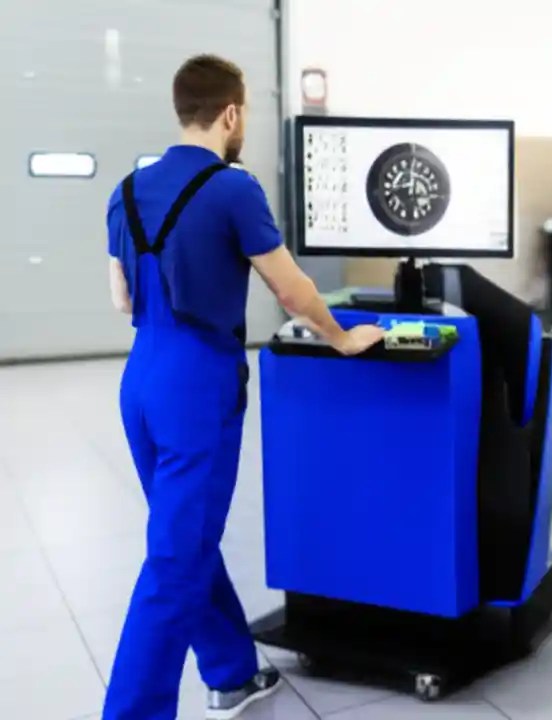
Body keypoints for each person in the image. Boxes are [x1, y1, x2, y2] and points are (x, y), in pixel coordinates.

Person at [102, 54, 384, 720]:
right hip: (196, 388)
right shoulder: (233, 188)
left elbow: (120, 298)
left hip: (140, 381)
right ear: (231, 113)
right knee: (175, 560)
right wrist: (343, 337)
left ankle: (230, 671)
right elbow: (291, 290)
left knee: (185, 537)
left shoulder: (125, 189)